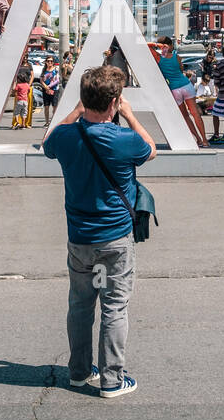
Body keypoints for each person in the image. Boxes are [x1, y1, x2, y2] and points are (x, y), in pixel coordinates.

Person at [42, 65, 155, 398]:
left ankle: (78, 372)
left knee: (80, 304)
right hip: (116, 239)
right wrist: (131, 116)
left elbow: (47, 143)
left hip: (79, 237)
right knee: (114, 307)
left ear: (83, 98)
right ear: (115, 102)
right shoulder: (124, 140)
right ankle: (112, 379)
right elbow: (151, 149)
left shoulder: (65, 137)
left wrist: (76, 111)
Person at [155, 36, 208, 147]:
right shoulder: (177, 57)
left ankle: (198, 139)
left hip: (174, 89)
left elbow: (148, 46)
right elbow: (180, 70)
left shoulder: (158, 58)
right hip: (186, 85)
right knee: (195, 114)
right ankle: (204, 140)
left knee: (185, 116)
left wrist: (158, 46)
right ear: (171, 45)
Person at [38, 58, 61, 126]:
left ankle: (54, 122)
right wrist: (46, 87)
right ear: (46, 62)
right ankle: (47, 122)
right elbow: (41, 80)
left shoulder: (56, 69)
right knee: (46, 106)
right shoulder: (44, 70)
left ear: (53, 62)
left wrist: (49, 86)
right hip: (45, 90)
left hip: (54, 89)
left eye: (51, 61)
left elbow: (57, 80)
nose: (50, 62)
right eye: (48, 61)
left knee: (54, 106)